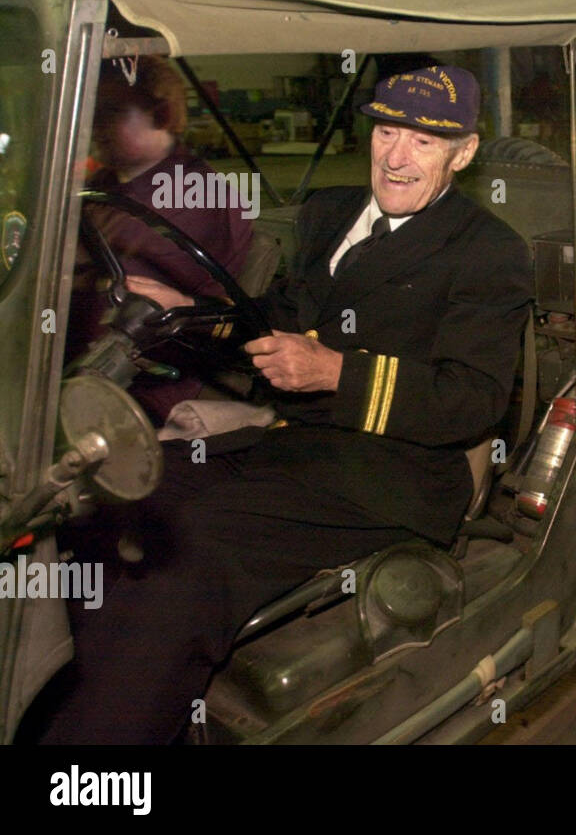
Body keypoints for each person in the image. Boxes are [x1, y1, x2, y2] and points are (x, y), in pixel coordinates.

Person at [39, 65, 533, 744]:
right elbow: (279, 318)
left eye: (423, 141)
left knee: (193, 549)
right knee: (109, 493)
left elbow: (473, 400)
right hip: (288, 443)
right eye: (386, 133)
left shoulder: (489, 251)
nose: (396, 157)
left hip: (391, 475)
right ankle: (98, 695)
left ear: (464, 153)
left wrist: (336, 373)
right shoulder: (330, 213)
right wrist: (192, 311)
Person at [68, 56, 254, 425]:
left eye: (111, 111)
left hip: (143, 384)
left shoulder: (195, 195)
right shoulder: (108, 183)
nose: (95, 126)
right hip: (84, 360)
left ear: (163, 114)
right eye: (93, 112)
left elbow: (109, 296)